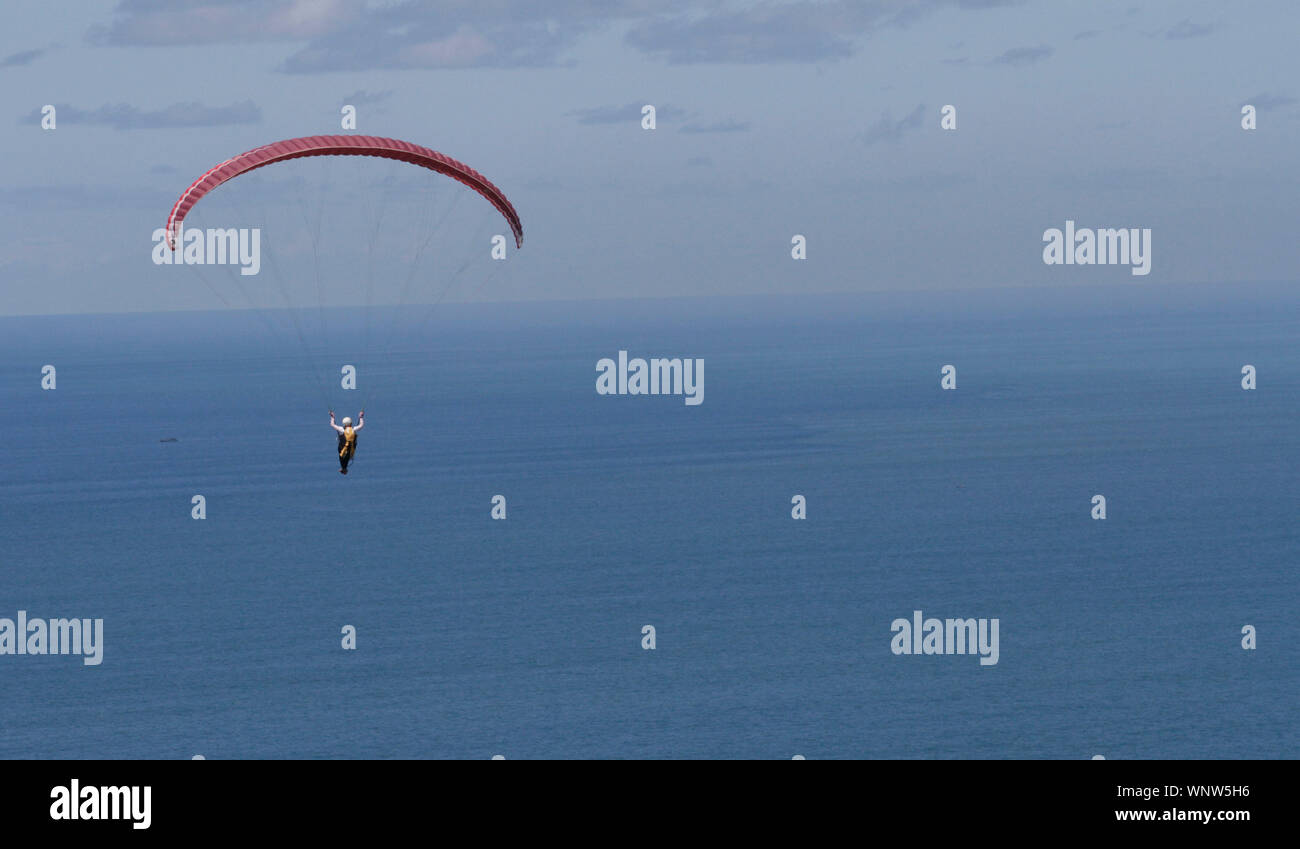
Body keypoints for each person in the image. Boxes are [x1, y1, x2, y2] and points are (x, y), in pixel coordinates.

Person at [330, 409, 364, 474]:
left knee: (342, 457)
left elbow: (332, 424)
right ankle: (344, 469)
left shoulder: (341, 429)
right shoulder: (354, 429)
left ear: (344, 423)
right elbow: (361, 425)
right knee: (346, 457)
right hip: (351, 449)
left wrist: (332, 417)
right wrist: (361, 417)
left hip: (342, 448)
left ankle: (344, 469)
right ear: (351, 423)